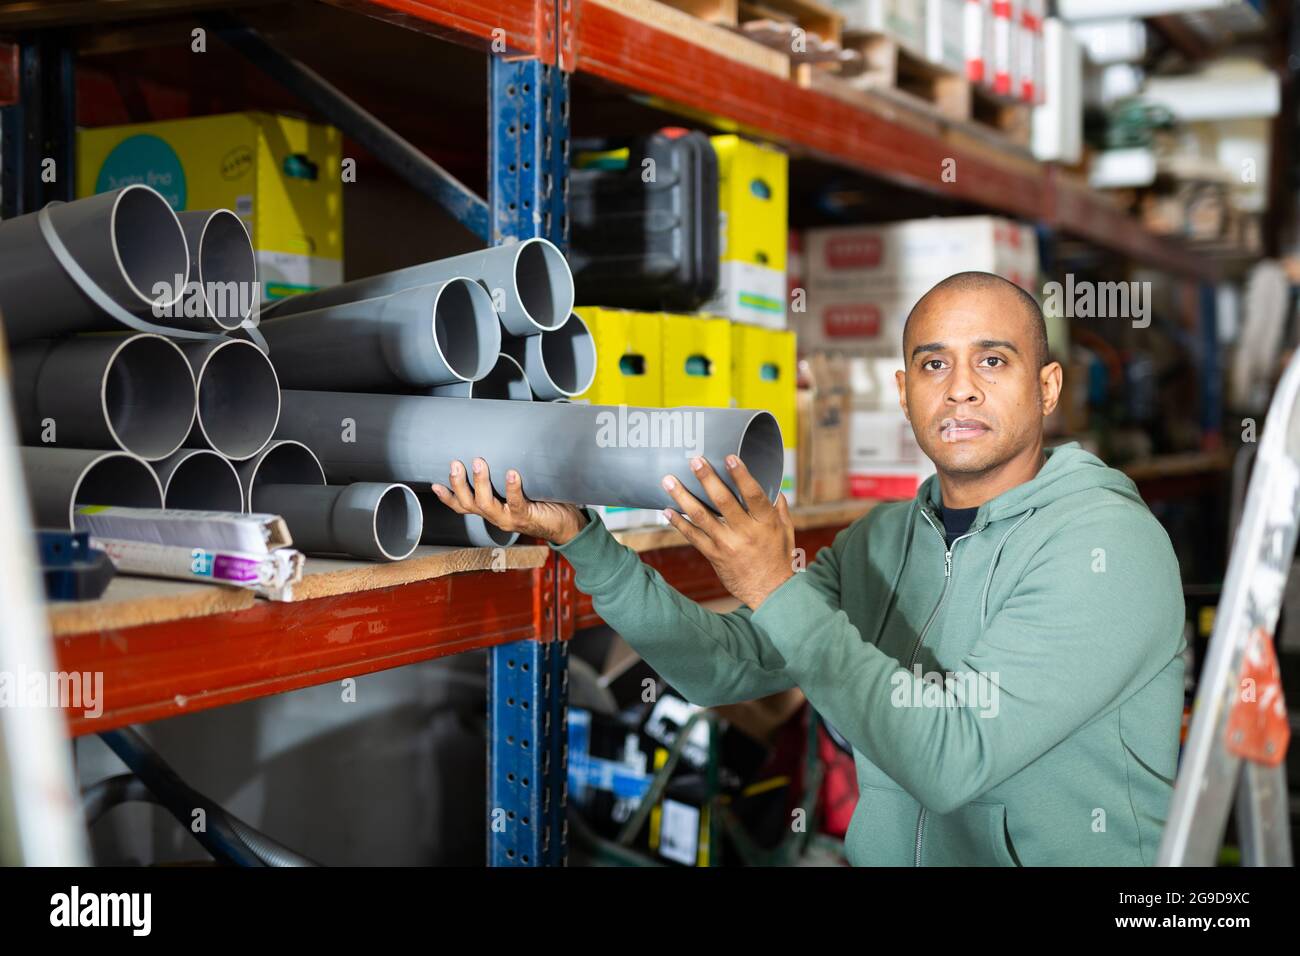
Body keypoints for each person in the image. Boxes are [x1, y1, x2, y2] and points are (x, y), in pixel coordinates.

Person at [431, 271, 1186, 866]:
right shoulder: (884, 538)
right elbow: (728, 669)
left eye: (993, 360)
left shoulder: (1107, 547)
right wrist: (585, 541)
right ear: (903, 391)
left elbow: (954, 759)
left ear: (1047, 388)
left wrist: (770, 584)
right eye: (933, 364)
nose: (960, 387)